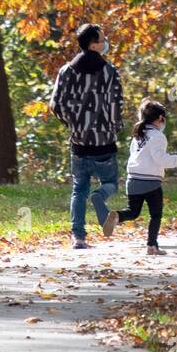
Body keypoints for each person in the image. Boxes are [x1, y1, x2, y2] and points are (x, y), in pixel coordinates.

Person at [50, 22, 124, 249]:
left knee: (78, 189)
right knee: (110, 182)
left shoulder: (66, 71)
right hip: (104, 143)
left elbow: (56, 104)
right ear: (93, 45)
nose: (105, 43)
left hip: (79, 143)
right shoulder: (109, 72)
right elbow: (115, 105)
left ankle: (78, 236)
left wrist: (73, 124)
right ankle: (100, 196)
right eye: (102, 40)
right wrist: (113, 128)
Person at [102, 98, 177, 256]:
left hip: (133, 180)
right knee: (155, 215)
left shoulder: (138, 135)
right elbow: (161, 159)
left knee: (133, 211)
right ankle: (151, 246)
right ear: (160, 119)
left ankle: (117, 216)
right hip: (151, 182)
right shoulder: (158, 136)